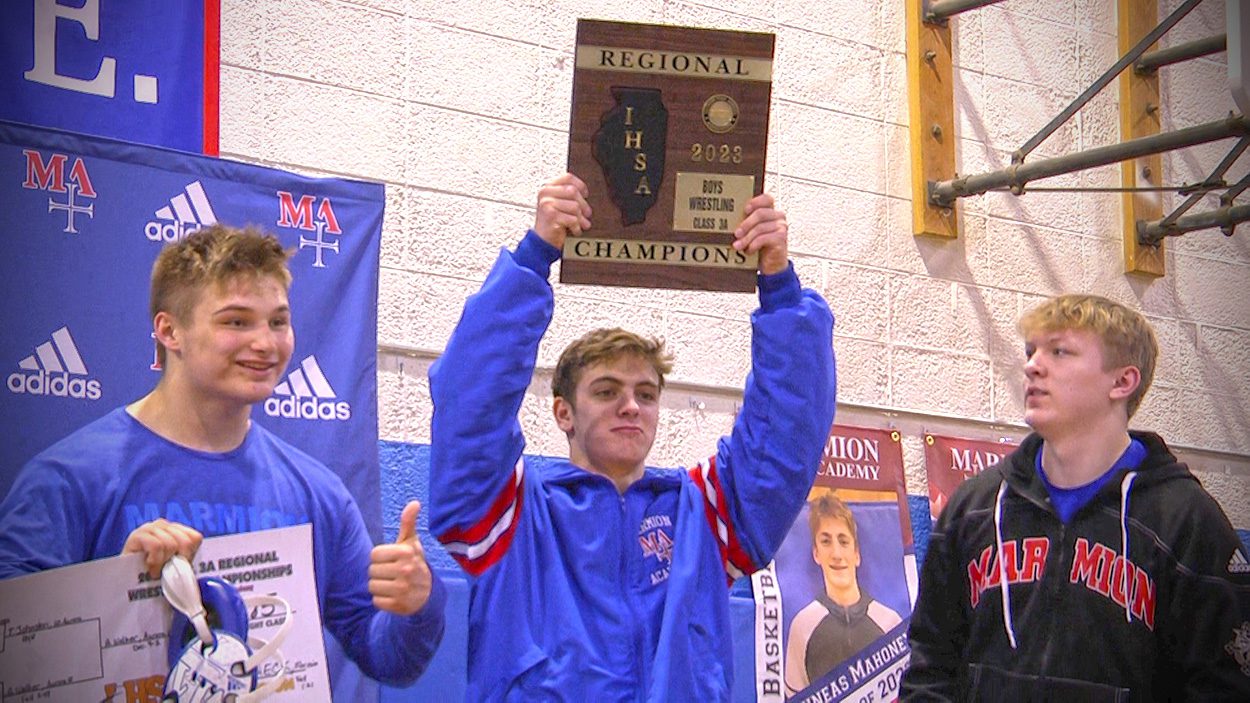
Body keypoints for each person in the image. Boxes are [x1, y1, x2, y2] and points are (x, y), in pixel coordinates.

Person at [428, 172, 837, 700]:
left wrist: (780, 288)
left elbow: (790, 430)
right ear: (563, 413)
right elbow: (469, 399)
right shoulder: (511, 514)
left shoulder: (705, 514)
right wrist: (534, 256)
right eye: (606, 391)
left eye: (646, 393)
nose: (630, 406)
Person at [0, 224, 446, 688]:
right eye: (236, 321)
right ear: (169, 330)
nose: (266, 343)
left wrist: (418, 604)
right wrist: (118, 588)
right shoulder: (68, 479)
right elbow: (14, 660)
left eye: (278, 321)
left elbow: (389, 659)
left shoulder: (319, 495)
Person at [901, 294, 1250, 700]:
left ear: (1122, 381)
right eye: (1032, 351)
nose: (1032, 365)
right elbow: (931, 664)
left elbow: (1223, 687)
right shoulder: (974, 506)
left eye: (1060, 352)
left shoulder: (1186, 520)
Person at [785, 493, 902, 695]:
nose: (837, 554)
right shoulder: (802, 625)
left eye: (843, 541)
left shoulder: (890, 623)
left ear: (856, 554)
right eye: (826, 541)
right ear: (816, 554)